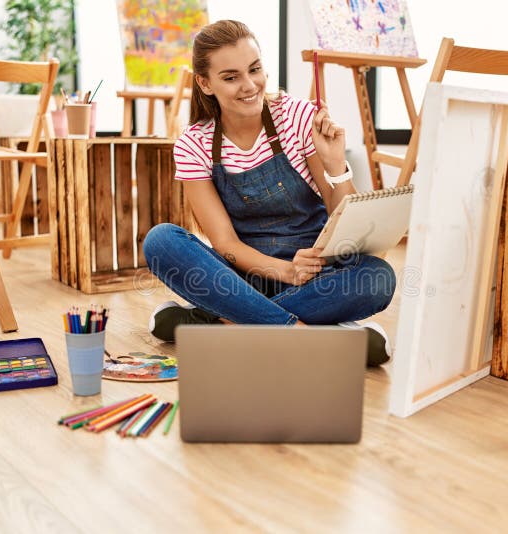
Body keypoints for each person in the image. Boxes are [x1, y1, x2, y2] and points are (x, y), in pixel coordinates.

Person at [142, 20, 396, 365]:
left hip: (313, 277)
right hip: (241, 277)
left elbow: (343, 214)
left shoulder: (296, 117)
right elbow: (225, 245)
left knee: (377, 277)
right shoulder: (194, 144)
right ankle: (300, 335)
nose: (249, 86)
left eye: (255, 69)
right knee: (161, 242)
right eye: (231, 77)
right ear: (205, 83)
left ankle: (222, 323)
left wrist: (335, 163)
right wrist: (284, 271)